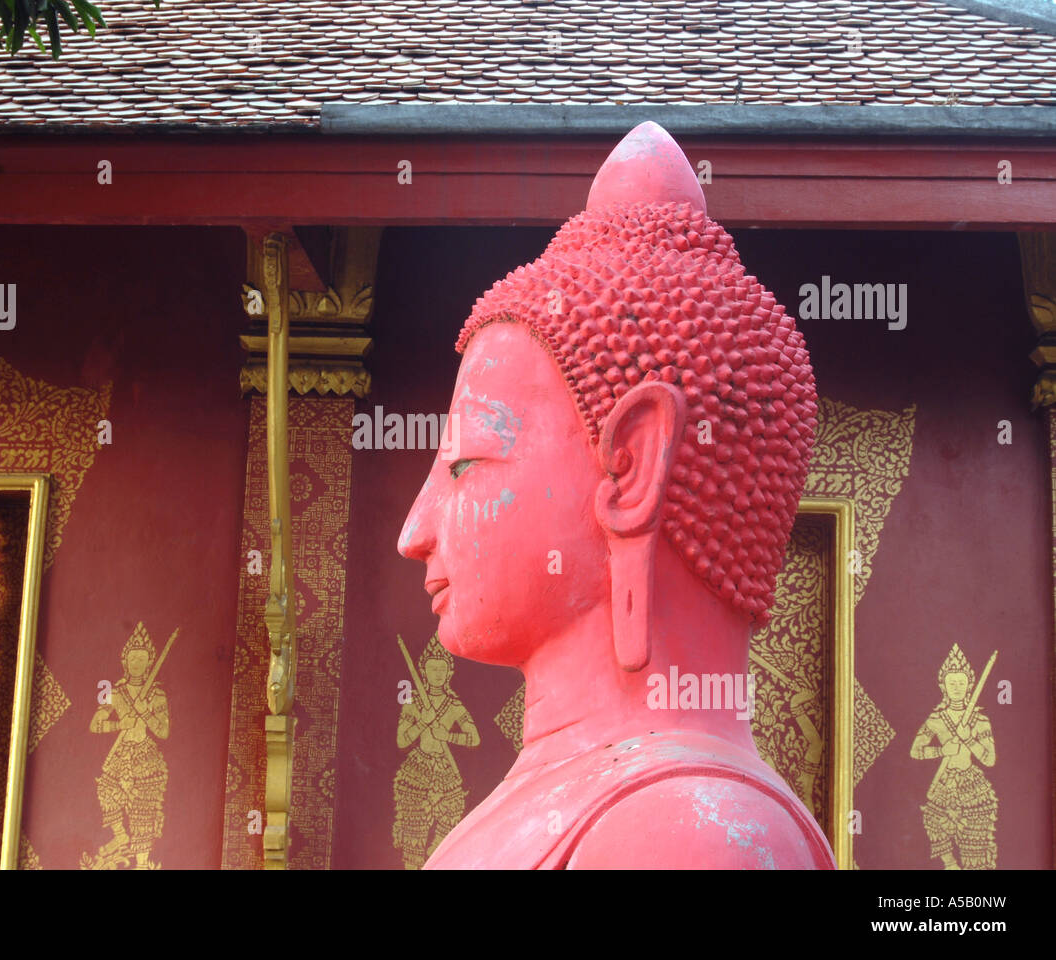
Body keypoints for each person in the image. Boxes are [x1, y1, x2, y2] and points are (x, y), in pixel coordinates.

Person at [397, 121, 833, 869]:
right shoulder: (579, 802)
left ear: (630, 471)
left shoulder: (679, 831)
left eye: (464, 461)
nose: (415, 529)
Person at [84, 624, 169, 869]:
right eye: (133, 657)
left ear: (150, 662)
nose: (137, 663)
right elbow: (94, 725)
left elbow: (163, 731)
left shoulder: (156, 694)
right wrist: (120, 723)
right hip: (121, 755)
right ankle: (120, 834)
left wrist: (147, 714)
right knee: (107, 790)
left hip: (144, 756)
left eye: (142, 658)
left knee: (143, 809)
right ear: (125, 660)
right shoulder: (115, 692)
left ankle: (142, 863)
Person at [391, 637, 480, 868]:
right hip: (417, 770)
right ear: (424, 671)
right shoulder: (412, 701)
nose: (438, 674)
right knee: (413, 835)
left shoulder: (454, 705)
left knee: (451, 819)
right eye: (433, 668)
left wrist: (448, 736)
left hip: (445, 770)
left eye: (442, 669)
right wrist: (422, 723)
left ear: (449, 672)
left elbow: (474, 737)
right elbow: (402, 740)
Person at [911, 645, 997, 869]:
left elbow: (989, 759)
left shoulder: (980, 719)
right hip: (944, 783)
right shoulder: (936, 719)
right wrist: (942, 750)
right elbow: (916, 750)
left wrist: (969, 740)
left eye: (961, 682)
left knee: (974, 844)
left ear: (970, 684)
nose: (957, 688)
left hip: (972, 787)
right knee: (933, 820)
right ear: (943, 686)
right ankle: (950, 864)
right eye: (952, 683)